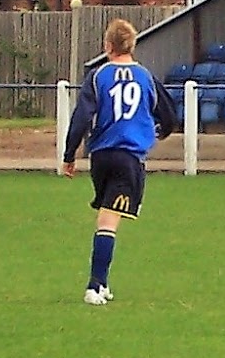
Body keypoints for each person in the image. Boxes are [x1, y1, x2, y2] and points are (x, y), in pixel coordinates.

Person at [60, 18, 180, 305]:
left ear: (108, 46)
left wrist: (68, 155)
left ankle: (102, 284)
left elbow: (80, 118)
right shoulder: (146, 77)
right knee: (109, 219)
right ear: (132, 45)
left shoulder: (98, 76)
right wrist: (161, 131)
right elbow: (170, 115)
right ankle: (94, 285)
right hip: (129, 157)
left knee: (106, 213)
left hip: (101, 157)